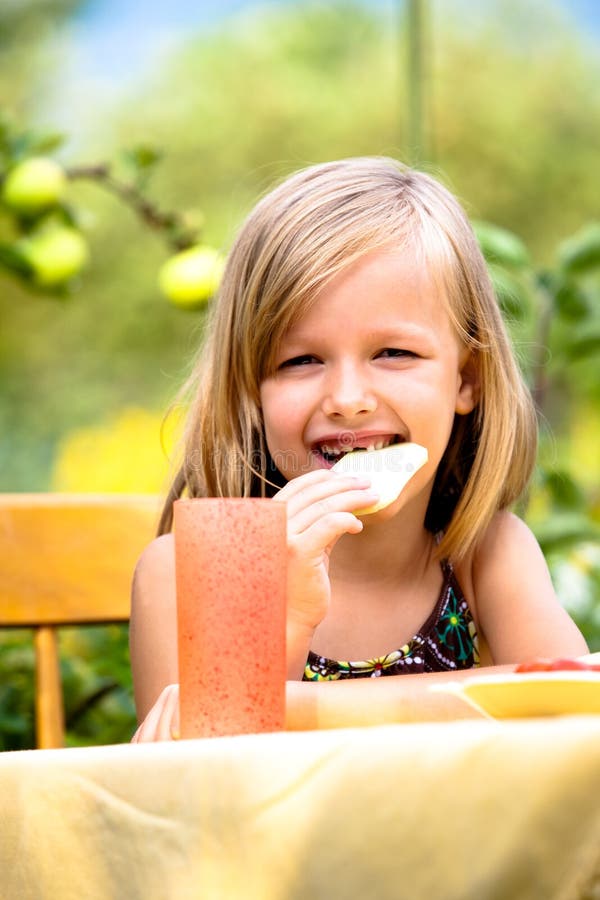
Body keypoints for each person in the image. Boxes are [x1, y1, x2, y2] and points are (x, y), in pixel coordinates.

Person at [130, 156, 587, 741]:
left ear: (466, 381)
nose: (347, 400)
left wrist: (312, 710)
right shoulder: (185, 572)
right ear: (252, 390)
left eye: (394, 353)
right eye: (300, 361)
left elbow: (574, 717)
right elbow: (199, 794)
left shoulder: (484, 557)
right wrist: (285, 615)